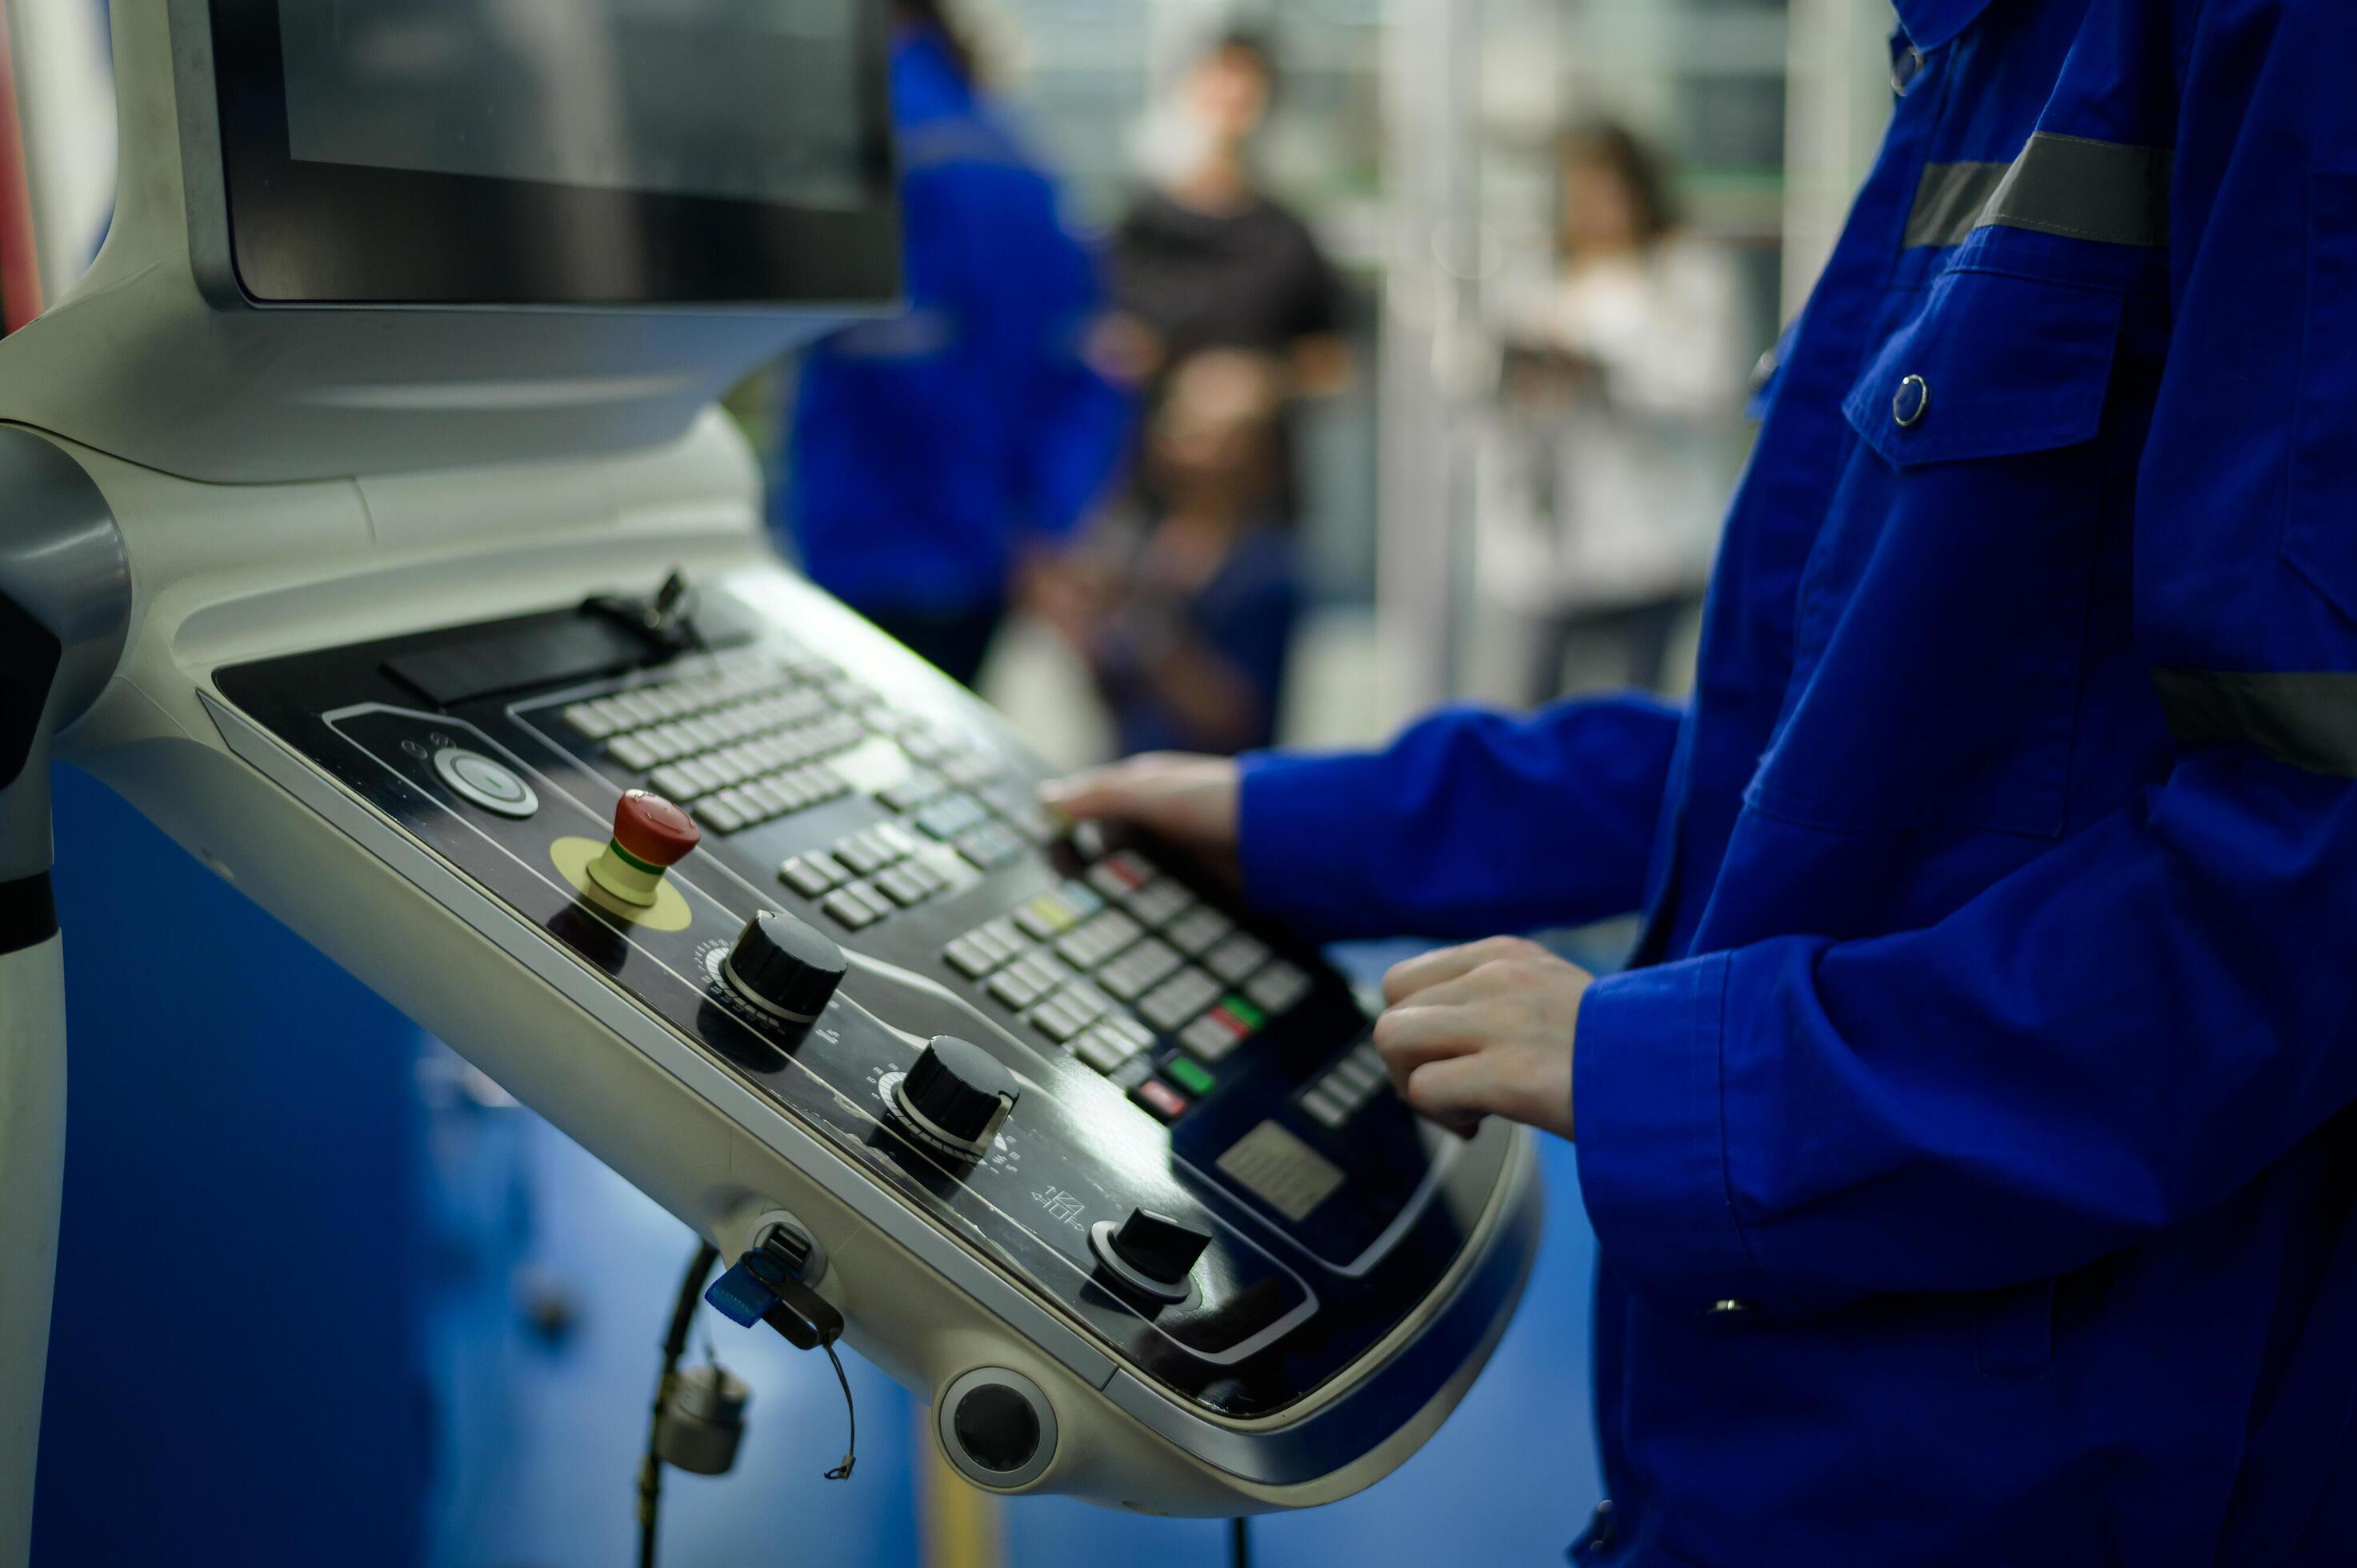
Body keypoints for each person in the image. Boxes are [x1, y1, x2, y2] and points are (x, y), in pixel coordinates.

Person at [1044, 0, 2357, 1561]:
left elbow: (2315, 876)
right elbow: (1821, 755)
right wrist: (1304, 821)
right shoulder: (1976, 62)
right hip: (1793, 1420)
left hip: (2047, 1463)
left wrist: (1691, 1074)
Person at [779, 0, 1128, 688]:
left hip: (876, 545)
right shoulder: (1018, 150)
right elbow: (1085, 370)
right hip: (983, 562)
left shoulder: (877, 137)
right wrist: (1041, 527)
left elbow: (904, 371)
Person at [1476, 122, 1747, 702]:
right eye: (1579, 191)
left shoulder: (1687, 273)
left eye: (1606, 189)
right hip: (1554, 545)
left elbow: (1710, 393)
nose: (1592, 208)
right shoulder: (1543, 277)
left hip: (1654, 537)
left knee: (1631, 713)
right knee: (1535, 716)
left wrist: (1609, 374)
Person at [1107, 28, 1350, 528]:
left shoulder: (1286, 235)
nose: (1230, 110)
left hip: (1255, 506)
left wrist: (1257, 383)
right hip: (1154, 503)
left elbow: (1331, 363)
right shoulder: (1141, 230)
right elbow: (1099, 343)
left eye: (1245, 96)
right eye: (1218, 90)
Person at [1030, 350, 1302, 758]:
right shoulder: (1139, 541)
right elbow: (1113, 689)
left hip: (1213, 792)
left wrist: (1140, 624)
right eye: (1182, 426)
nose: (1190, 449)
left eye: (1223, 437)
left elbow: (1230, 718)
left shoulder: (1265, 568)